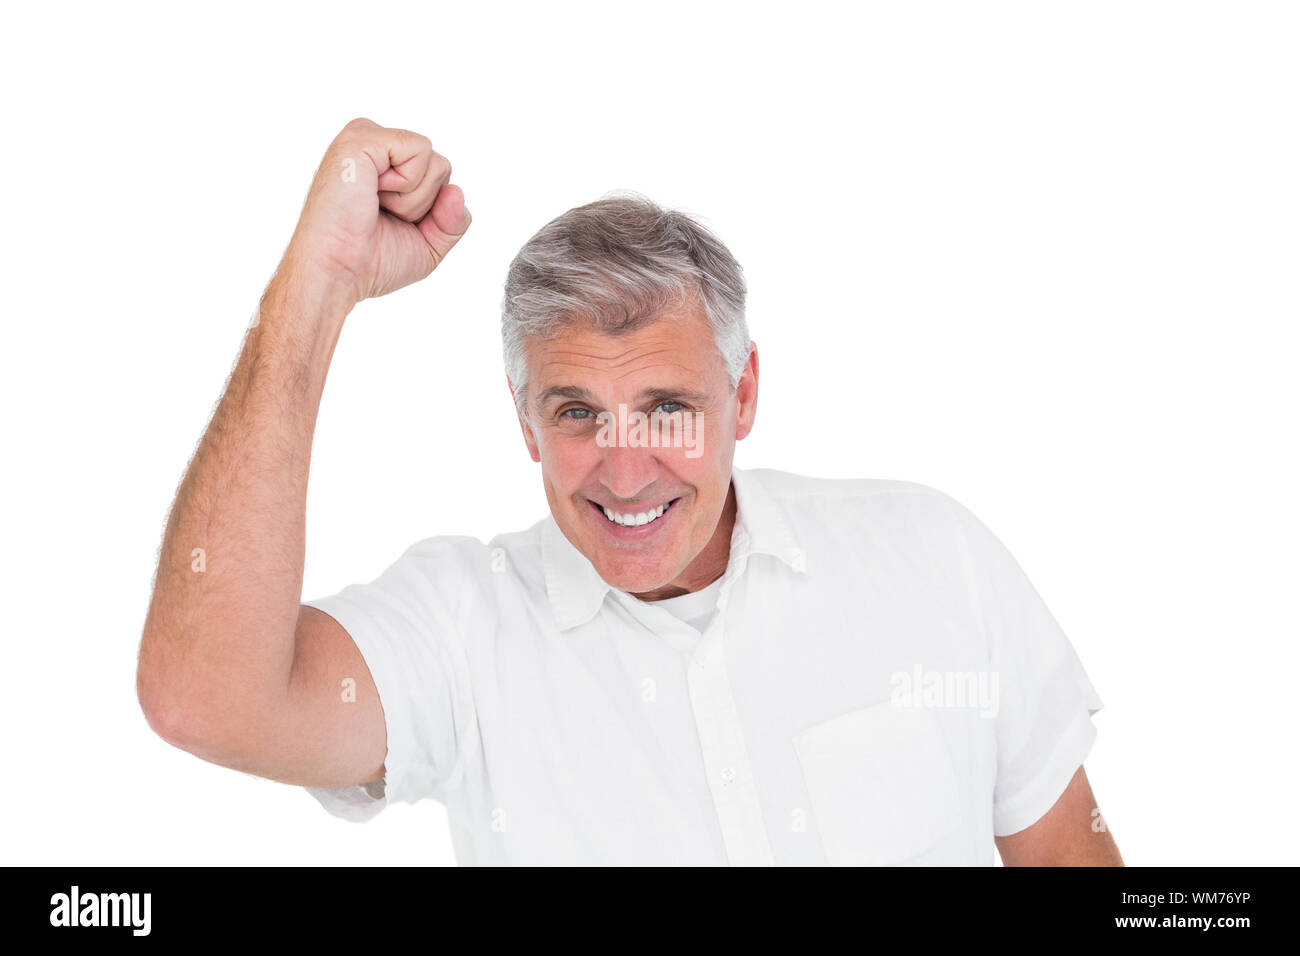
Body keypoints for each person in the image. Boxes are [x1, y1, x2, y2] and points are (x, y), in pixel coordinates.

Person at [137, 117, 1123, 866]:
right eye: (576, 412)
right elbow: (204, 696)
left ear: (743, 393)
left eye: (664, 405)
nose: (625, 467)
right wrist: (322, 280)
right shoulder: (463, 630)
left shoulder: (929, 556)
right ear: (524, 420)